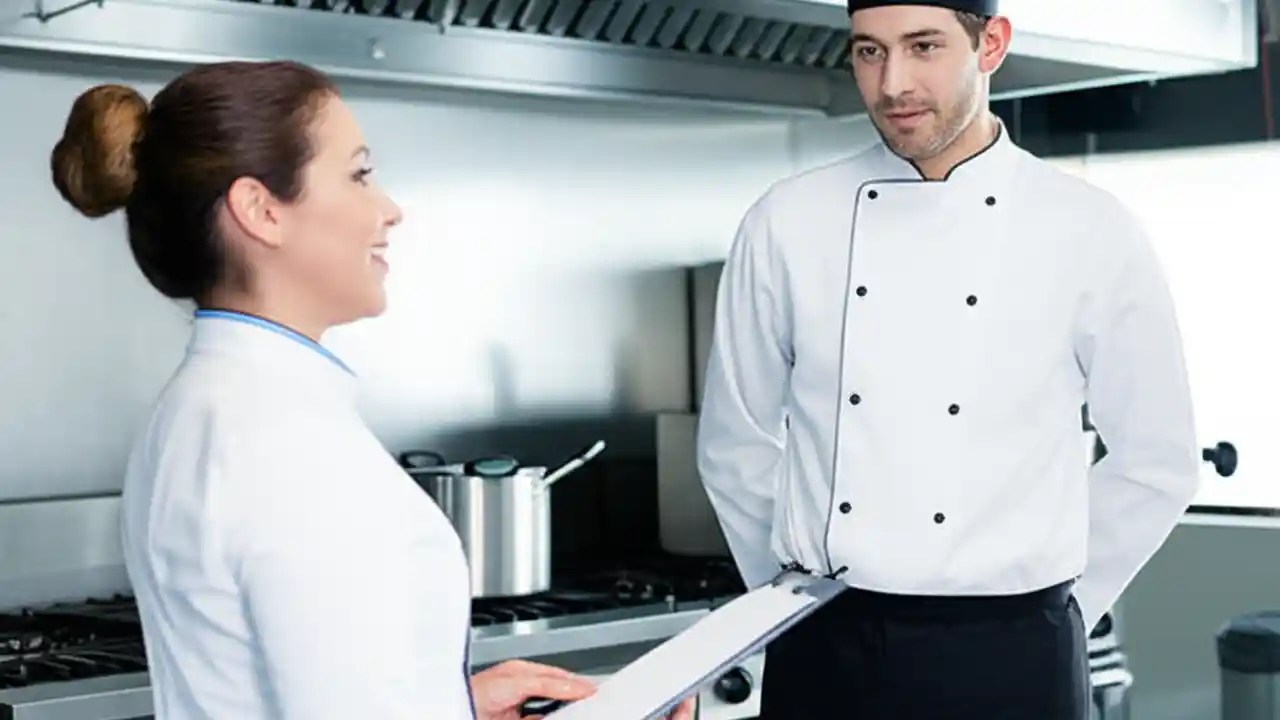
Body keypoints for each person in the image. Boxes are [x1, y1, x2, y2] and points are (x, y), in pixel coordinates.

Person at [49, 61, 694, 720]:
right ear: (261, 210)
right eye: (358, 173)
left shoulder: (203, 411)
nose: (390, 208)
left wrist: (450, 707)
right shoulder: (289, 445)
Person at [696, 1, 1200, 718]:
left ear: (990, 44)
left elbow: (1158, 460)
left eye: (923, 47)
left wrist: (1060, 607)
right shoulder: (787, 220)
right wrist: (791, 602)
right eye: (869, 52)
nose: (892, 82)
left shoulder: (1089, 229)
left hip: (1016, 653)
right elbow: (733, 443)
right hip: (826, 646)